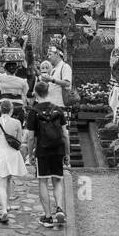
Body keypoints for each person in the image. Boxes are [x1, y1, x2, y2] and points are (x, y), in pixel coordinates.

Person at [26, 81, 68, 226]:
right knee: (57, 180)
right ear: (48, 92)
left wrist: (30, 154)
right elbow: (65, 134)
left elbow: (31, 137)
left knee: (43, 181)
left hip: (42, 150)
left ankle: (48, 216)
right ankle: (60, 208)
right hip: (58, 149)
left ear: (36, 94)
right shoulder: (58, 110)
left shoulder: (33, 112)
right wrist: (67, 153)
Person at [0, 98, 28, 224]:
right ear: (11, 110)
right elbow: (19, 141)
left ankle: (4, 209)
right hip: (12, 153)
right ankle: (8, 204)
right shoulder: (17, 123)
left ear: (0, 109)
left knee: (2, 183)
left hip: (0, 153)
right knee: (9, 178)